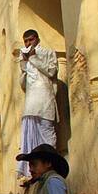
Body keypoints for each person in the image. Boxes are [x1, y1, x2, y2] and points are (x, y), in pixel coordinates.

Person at [16, 29, 59, 182]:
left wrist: (33, 59)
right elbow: (23, 84)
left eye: (31, 40)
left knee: (47, 133)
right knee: (30, 136)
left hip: (45, 99)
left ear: (37, 39)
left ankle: (50, 166)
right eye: (26, 41)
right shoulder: (24, 59)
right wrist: (24, 66)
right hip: (31, 102)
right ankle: (32, 172)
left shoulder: (47, 53)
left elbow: (51, 71)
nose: (28, 43)